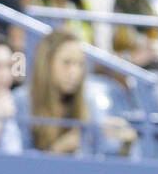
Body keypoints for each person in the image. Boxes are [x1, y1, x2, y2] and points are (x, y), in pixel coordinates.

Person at [25, 26, 136, 154]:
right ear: (46, 63)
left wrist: (125, 143)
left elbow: (102, 156)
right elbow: (16, 164)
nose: (75, 72)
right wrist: (58, 149)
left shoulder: (87, 104)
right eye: (67, 63)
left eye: (80, 64)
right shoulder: (23, 102)